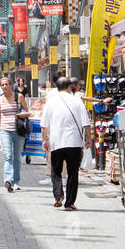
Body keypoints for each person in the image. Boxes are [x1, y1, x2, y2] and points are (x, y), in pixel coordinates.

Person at [40, 76, 91, 210]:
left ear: (57, 87)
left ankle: (58, 195)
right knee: (72, 173)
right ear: (69, 87)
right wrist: (89, 138)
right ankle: (69, 203)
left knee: (56, 171)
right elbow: (86, 122)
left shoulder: (50, 102)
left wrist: (44, 140)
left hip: (56, 142)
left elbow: (44, 125)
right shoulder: (77, 101)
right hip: (74, 142)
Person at [0, 76, 28, 192]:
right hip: (5, 131)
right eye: (2, 85)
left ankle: (16, 181)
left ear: (10, 85)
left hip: (18, 131)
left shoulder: (19, 97)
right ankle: (8, 180)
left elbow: (27, 111)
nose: (4, 87)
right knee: (8, 156)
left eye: (6, 84)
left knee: (17, 157)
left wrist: (23, 115)